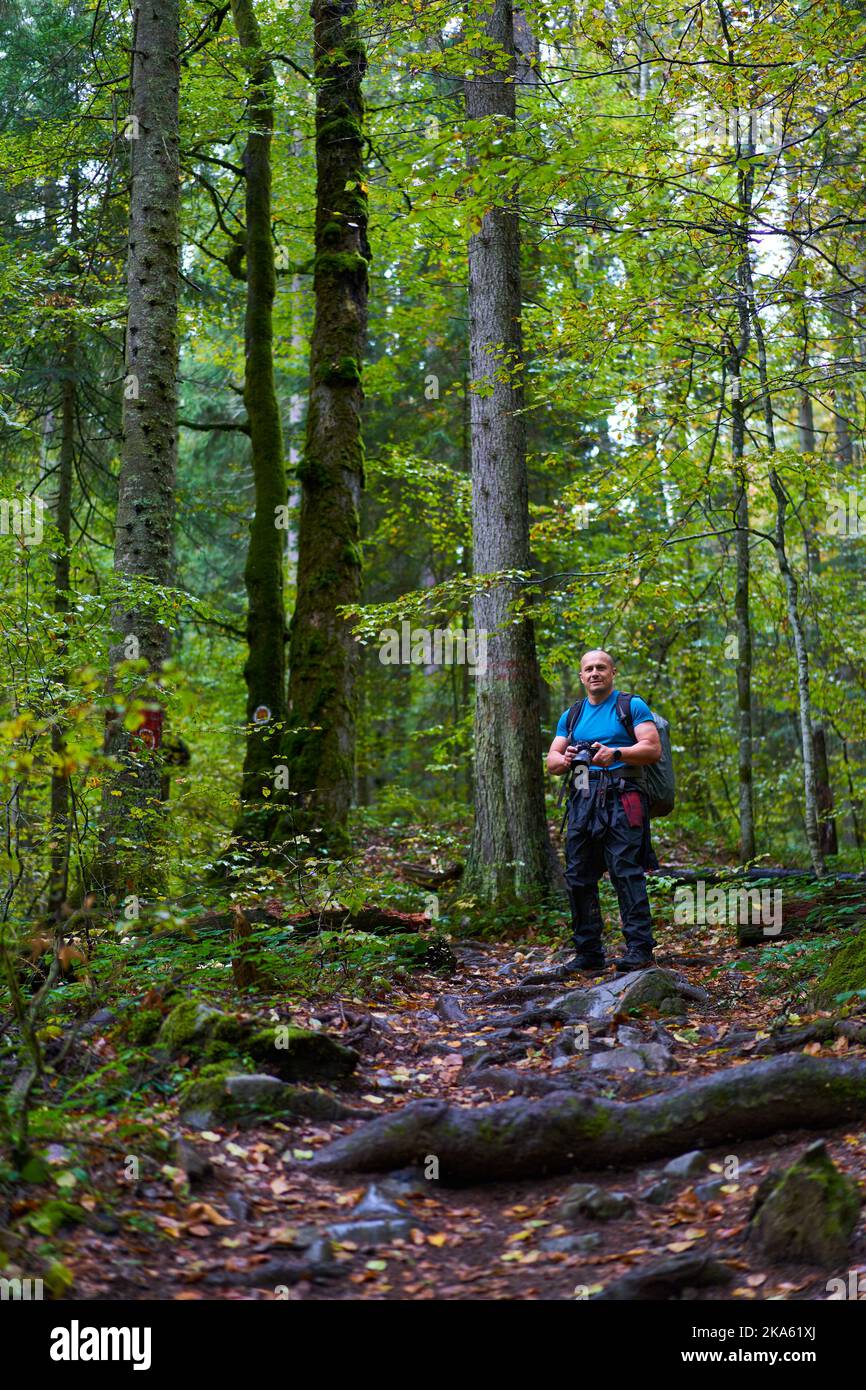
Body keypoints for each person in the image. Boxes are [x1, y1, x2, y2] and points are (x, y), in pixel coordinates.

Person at [547, 649, 661, 975]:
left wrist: (617, 752)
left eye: (601, 667)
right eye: (588, 669)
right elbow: (552, 761)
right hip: (583, 799)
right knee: (579, 876)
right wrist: (567, 758)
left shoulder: (631, 706)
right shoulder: (572, 715)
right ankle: (589, 954)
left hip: (625, 797)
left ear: (613, 673)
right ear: (581, 677)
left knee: (626, 871)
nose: (594, 672)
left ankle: (640, 950)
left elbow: (652, 748)